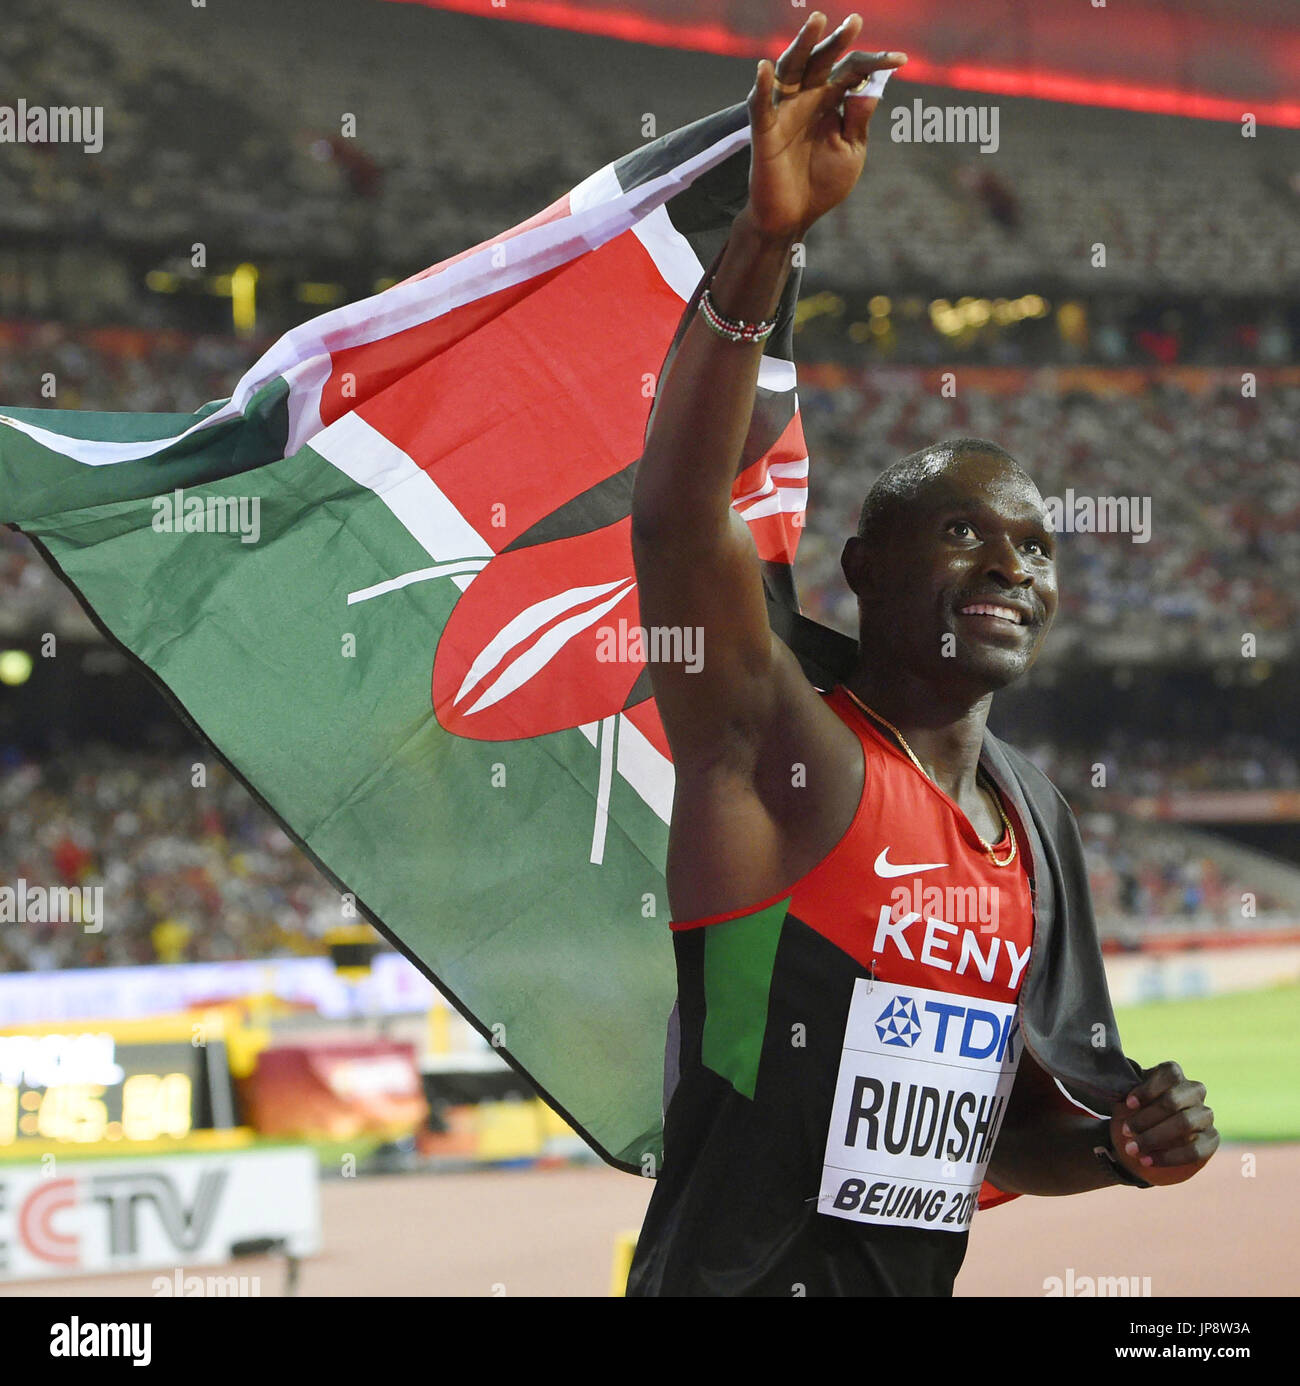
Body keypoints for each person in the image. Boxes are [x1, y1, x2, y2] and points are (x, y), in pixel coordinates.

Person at [624, 12, 1218, 1297]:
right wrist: (768, 240)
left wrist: (1119, 1145)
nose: (1015, 566)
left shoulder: (1028, 821)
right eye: (965, 533)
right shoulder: (780, 751)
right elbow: (680, 523)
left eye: (1039, 548)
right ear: (866, 570)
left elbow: (999, 1138)